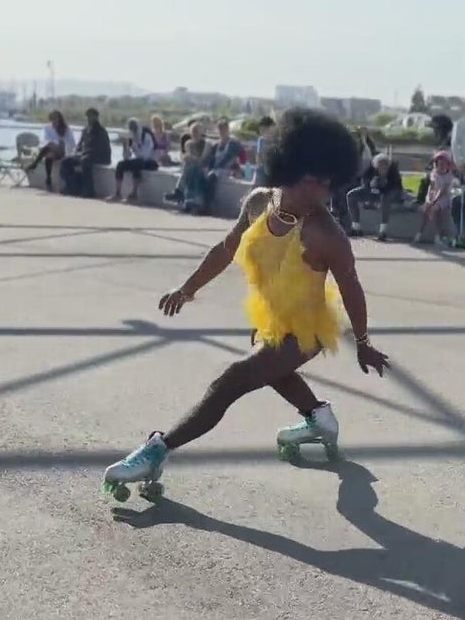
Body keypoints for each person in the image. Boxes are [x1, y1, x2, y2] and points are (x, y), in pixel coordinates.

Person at [100, 108, 390, 499]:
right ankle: (320, 418)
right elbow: (226, 248)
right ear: (289, 167)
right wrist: (187, 289)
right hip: (270, 315)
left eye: (328, 184)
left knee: (232, 380)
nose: (321, 193)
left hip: (307, 327)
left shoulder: (327, 235)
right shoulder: (258, 203)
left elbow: (352, 288)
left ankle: (156, 450)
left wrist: (364, 342)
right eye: (313, 181)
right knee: (271, 373)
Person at [345, 153, 403, 241]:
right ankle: (356, 227)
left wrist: (382, 187)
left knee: (385, 198)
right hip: (372, 191)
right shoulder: (371, 168)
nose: (382, 169)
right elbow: (364, 180)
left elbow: (396, 186)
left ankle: (382, 231)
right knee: (351, 195)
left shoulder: (393, 170)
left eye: (385, 167)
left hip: (390, 193)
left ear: (388, 166)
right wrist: (370, 185)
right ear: (376, 166)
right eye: (380, 167)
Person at [59, 108, 113, 198]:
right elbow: (80, 145)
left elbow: (100, 148)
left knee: (85, 161)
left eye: (91, 116)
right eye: (88, 116)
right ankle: (72, 186)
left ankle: (89, 190)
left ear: (96, 117)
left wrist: (84, 153)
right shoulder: (85, 130)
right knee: (66, 161)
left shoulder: (100, 131)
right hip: (86, 154)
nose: (89, 118)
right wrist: (76, 152)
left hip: (100, 156)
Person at [107, 118, 159, 202]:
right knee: (120, 165)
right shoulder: (131, 137)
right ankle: (118, 193)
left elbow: (145, 155)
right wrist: (125, 146)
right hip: (139, 160)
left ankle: (134, 194)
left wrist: (137, 145)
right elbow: (126, 157)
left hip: (151, 161)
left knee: (137, 164)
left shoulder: (146, 135)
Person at [25, 111, 77, 191]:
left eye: (55, 118)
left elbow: (71, 143)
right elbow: (46, 140)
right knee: (48, 156)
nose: (54, 121)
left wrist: (60, 144)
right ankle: (48, 179)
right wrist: (53, 144)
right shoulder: (48, 128)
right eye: (52, 119)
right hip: (51, 150)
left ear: (59, 119)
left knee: (51, 145)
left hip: (63, 151)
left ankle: (34, 164)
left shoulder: (66, 128)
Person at [413, 150, 456, 246]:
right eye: (439, 164)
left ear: (447, 165)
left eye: (443, 164)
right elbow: (431, 188)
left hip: (444, 198)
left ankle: (437, 236)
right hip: (433, 196)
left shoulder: (449, 177)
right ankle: (419, 233)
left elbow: (442, 191)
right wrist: (429, 199)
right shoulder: (433, 174)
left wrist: (434, 201)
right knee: (426, 209)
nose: (441, 166)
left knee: (436, 210)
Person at [253, 115, 276, 186]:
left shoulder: (276, 140)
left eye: (264, 130)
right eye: (261, 130)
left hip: (274, 169)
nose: (262, 132)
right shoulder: (261, 140)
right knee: (259, 170)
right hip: (263, 168)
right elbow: (258, 156)